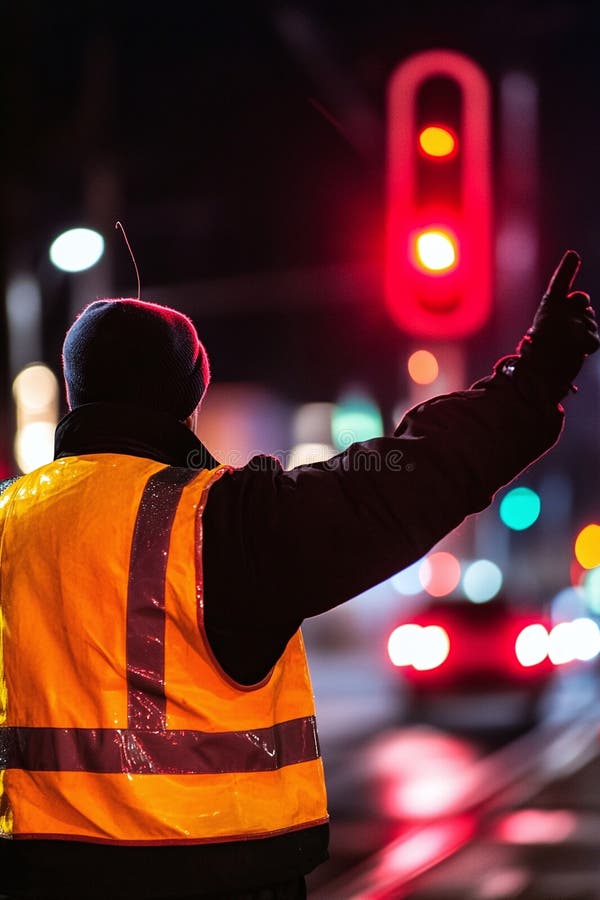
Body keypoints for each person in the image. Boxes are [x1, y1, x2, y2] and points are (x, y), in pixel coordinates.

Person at [0, 250, 598, 900]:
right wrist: (530, 381)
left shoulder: (9, 519)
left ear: (74, 390)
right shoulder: (222, 520)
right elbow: (407, 481)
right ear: (188, 399)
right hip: (217, 880)